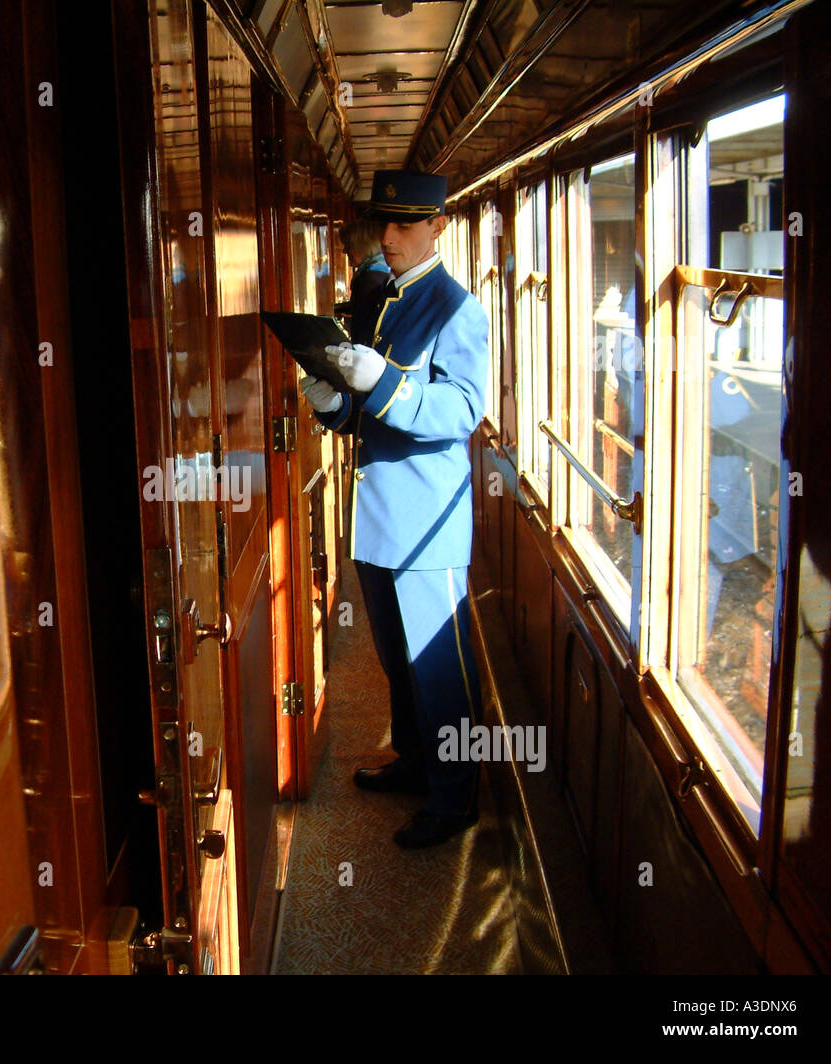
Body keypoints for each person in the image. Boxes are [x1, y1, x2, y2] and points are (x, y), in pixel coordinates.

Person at [300, 170, 490, 849]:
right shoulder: (386, 303)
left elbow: (463, 409)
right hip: (379, 517)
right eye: (385, 223)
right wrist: (336, 405)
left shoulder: (456, 309)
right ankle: (417, 764)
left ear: (438, 226)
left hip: (426, 522)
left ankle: (455, 797)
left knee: (440, 671)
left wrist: (381, 382)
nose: (389, 236)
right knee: (400, 663)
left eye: (405, 224)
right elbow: (371, 414)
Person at [334, 219, 390, 348]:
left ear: (364, 246)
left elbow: (363, 322)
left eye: (349, 245)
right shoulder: (382, 271)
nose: (344, 251)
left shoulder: (369, 278)